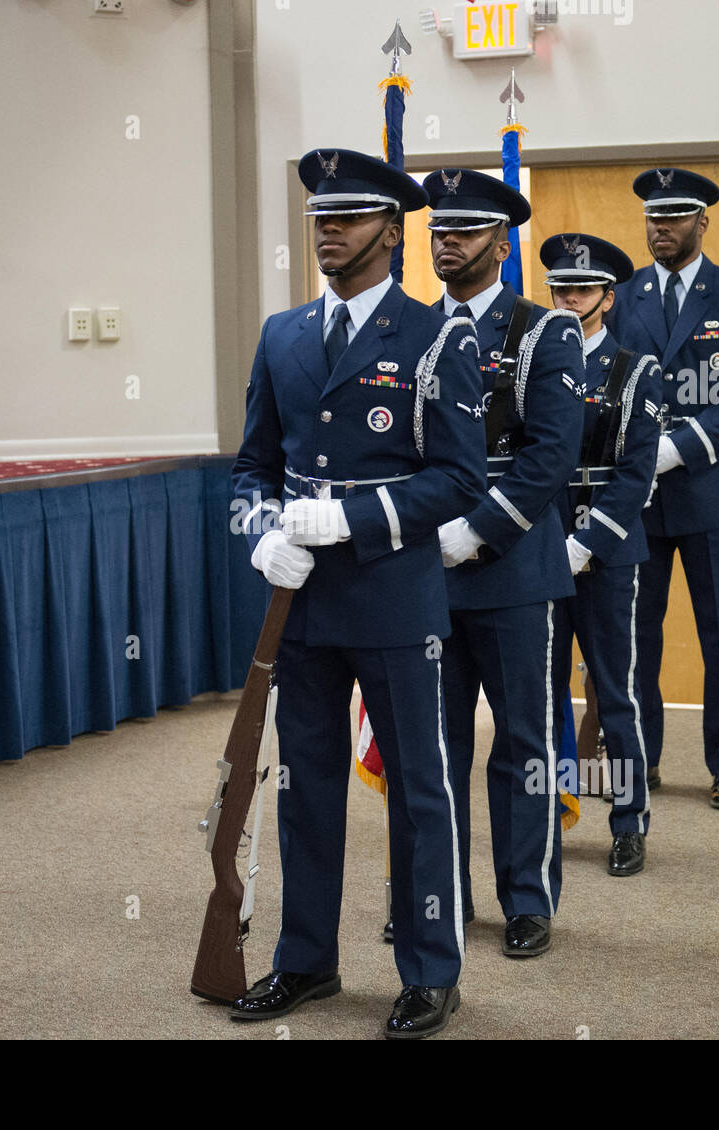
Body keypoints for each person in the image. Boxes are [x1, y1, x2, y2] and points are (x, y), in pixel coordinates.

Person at [229, 149, 486, 1039]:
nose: (327, 231)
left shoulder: (439, 337)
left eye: (345, 217)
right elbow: (254, 466)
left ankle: (429, 970)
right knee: (304, 785)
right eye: (318, 219)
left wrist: (354, 522)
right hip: (300, 603)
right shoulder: (283, 333)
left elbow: (460, 479)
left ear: (390, 226)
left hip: (390, 594)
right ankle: (306, 960)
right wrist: (260, 534)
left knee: (419, 787)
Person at [424, 168, 584, 959]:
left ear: (499, 241)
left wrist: (477, 531)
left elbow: (551, 455)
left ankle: (527, 898)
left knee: (523, 741)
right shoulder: (412, 329)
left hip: (515, 569)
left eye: (462, 231)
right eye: (436, 230)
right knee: (434, 747)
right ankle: (437, 897)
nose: (444, 241)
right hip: (421, 573)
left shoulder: (544, 332)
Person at [605, 168, 719, 809]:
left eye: (674, 218)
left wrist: (677, 448)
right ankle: (640, 761)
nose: (661, 229)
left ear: (702, 223)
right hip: (634, 501)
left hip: (706, 492)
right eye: (653, 218)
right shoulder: (620, 298)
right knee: (635, 635)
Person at [541, 232, 663, 876]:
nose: (567, 298)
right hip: (538, 545)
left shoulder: (635, 371)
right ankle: (550, 811)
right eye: (559, 288)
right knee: (543, 693)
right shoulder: (531, 363)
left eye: (581, 289)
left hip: (606, 549)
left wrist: (584, 546)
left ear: (607, 299)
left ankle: (627, 818)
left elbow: (636, 474)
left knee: (615, 691)